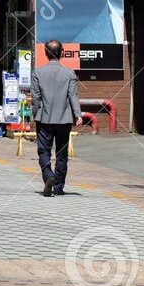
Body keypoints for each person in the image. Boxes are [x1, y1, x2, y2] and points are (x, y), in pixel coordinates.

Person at [31, 39, 84, 197]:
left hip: (44, 118)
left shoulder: (38, 73)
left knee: (43, 151)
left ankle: (48, 175)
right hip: (64, 119)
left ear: (46, 54)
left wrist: (34, 115)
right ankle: (59, 187)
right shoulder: (69, 73)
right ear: (61, 53)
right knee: (62, 153)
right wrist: (78, 115)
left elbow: (36, 98)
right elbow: (73, 96)